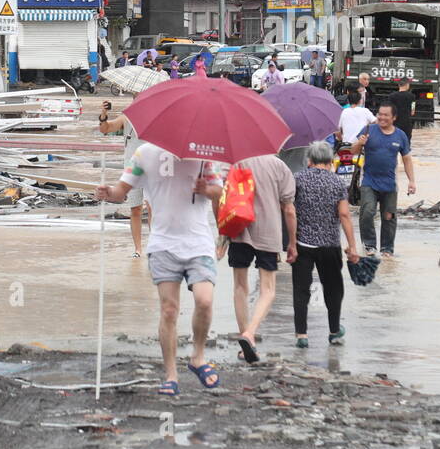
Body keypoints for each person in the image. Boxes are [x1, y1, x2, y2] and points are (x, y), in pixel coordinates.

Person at [96, 143, 223, 396]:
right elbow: (121, 192)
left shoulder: (202, 153)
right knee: (168, 310)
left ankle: (197, 357)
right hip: (163, 244)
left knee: (205, 300)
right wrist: (106, 192)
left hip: (199, 243)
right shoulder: (144, 154)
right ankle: (171, 374)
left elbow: (219, 191)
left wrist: (206, 189)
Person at [288, 140, 360, 348]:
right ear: (330, 161)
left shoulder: (298, 179)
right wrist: (352, 246)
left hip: (304, 243)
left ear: (309, 160)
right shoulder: (337, 182)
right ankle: (334, 331)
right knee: (333, 288)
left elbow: (290, 211)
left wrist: (291, 242)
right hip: (330, 244)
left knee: (301, 290)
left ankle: (302, 335)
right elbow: (345, 214)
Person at [227, 153, 296, 363]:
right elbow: (289, 208)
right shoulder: (278, 165)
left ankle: (244, 339)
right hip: (268, 233)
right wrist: (292, 242)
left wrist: (222, 237)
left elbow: (222, 199)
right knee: (268, 289)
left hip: (238, 230)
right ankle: (250, 333)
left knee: (240, 286)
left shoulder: (235, 162)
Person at [352, 103, 416, 256]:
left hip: (389, 183)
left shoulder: (400, 135)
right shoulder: (368, 130)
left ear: (393, 117)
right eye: (380, 114)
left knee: (389, 217)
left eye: (386, 115)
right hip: (369, 181)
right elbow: (352, 151)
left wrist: (411, 181)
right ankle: (369, 245)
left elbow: (407, 159)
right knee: (367, 212)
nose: (381, 117)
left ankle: (387, 249)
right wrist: (359, 143)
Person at [98, 103, 146, 258]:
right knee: (135, 208)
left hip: (153, 166)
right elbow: (106, 129)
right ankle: (138, 249)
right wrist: (103, 115)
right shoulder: (127, 117)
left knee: (154, 209)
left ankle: (155, 248)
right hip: (132, 167)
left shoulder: (159, 118)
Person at [384, 79, 416, 145]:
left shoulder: (391, 96)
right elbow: (413, 111)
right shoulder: (412, 96)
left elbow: (389, 109)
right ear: (407, 85)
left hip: (395, 123)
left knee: (393, 141)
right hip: (407, 123)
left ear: (399, 85)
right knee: (406, 143)